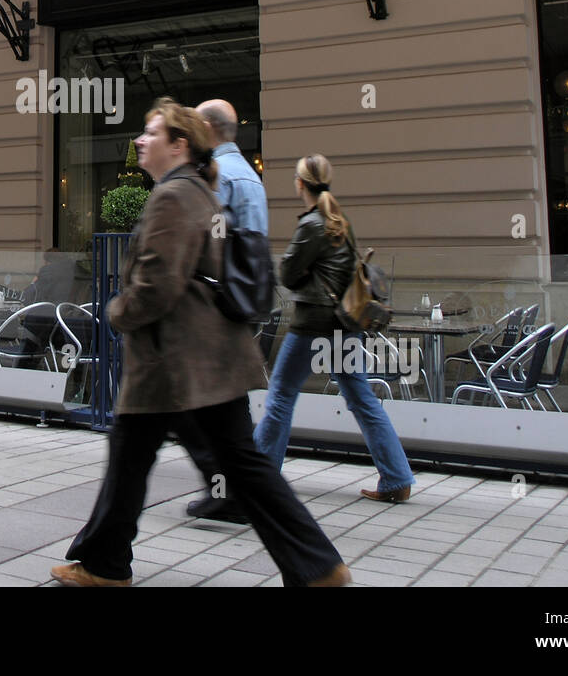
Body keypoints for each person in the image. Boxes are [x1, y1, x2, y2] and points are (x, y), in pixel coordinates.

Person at [52, 100, 349, 587]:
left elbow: (160, 284)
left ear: (179, 145)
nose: (140, 141)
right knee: (219, 462)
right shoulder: (200, 190)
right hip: (204, 357)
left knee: (150, 458)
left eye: (151, 133)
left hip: (176, 359)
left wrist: (117, 311)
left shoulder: (174, 196)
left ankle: (106, 564)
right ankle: (318, 566)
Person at [254, 155, 416, 504]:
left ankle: (259, 481)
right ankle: (397, 477)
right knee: (361, 398)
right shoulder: (340, 220)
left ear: (300, 184)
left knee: (281, 394)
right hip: (344, 325)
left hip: (312, 326)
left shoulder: (312, 224)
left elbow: (287, 274)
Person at [178, 99, 270, 523]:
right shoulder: (251, 174)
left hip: (214, 301)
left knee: (191, 398)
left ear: (207, 128)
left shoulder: (219, 176)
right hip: (245, 296)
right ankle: (237, 488)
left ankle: (232, 488)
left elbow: (203, 237)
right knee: (228, 400)